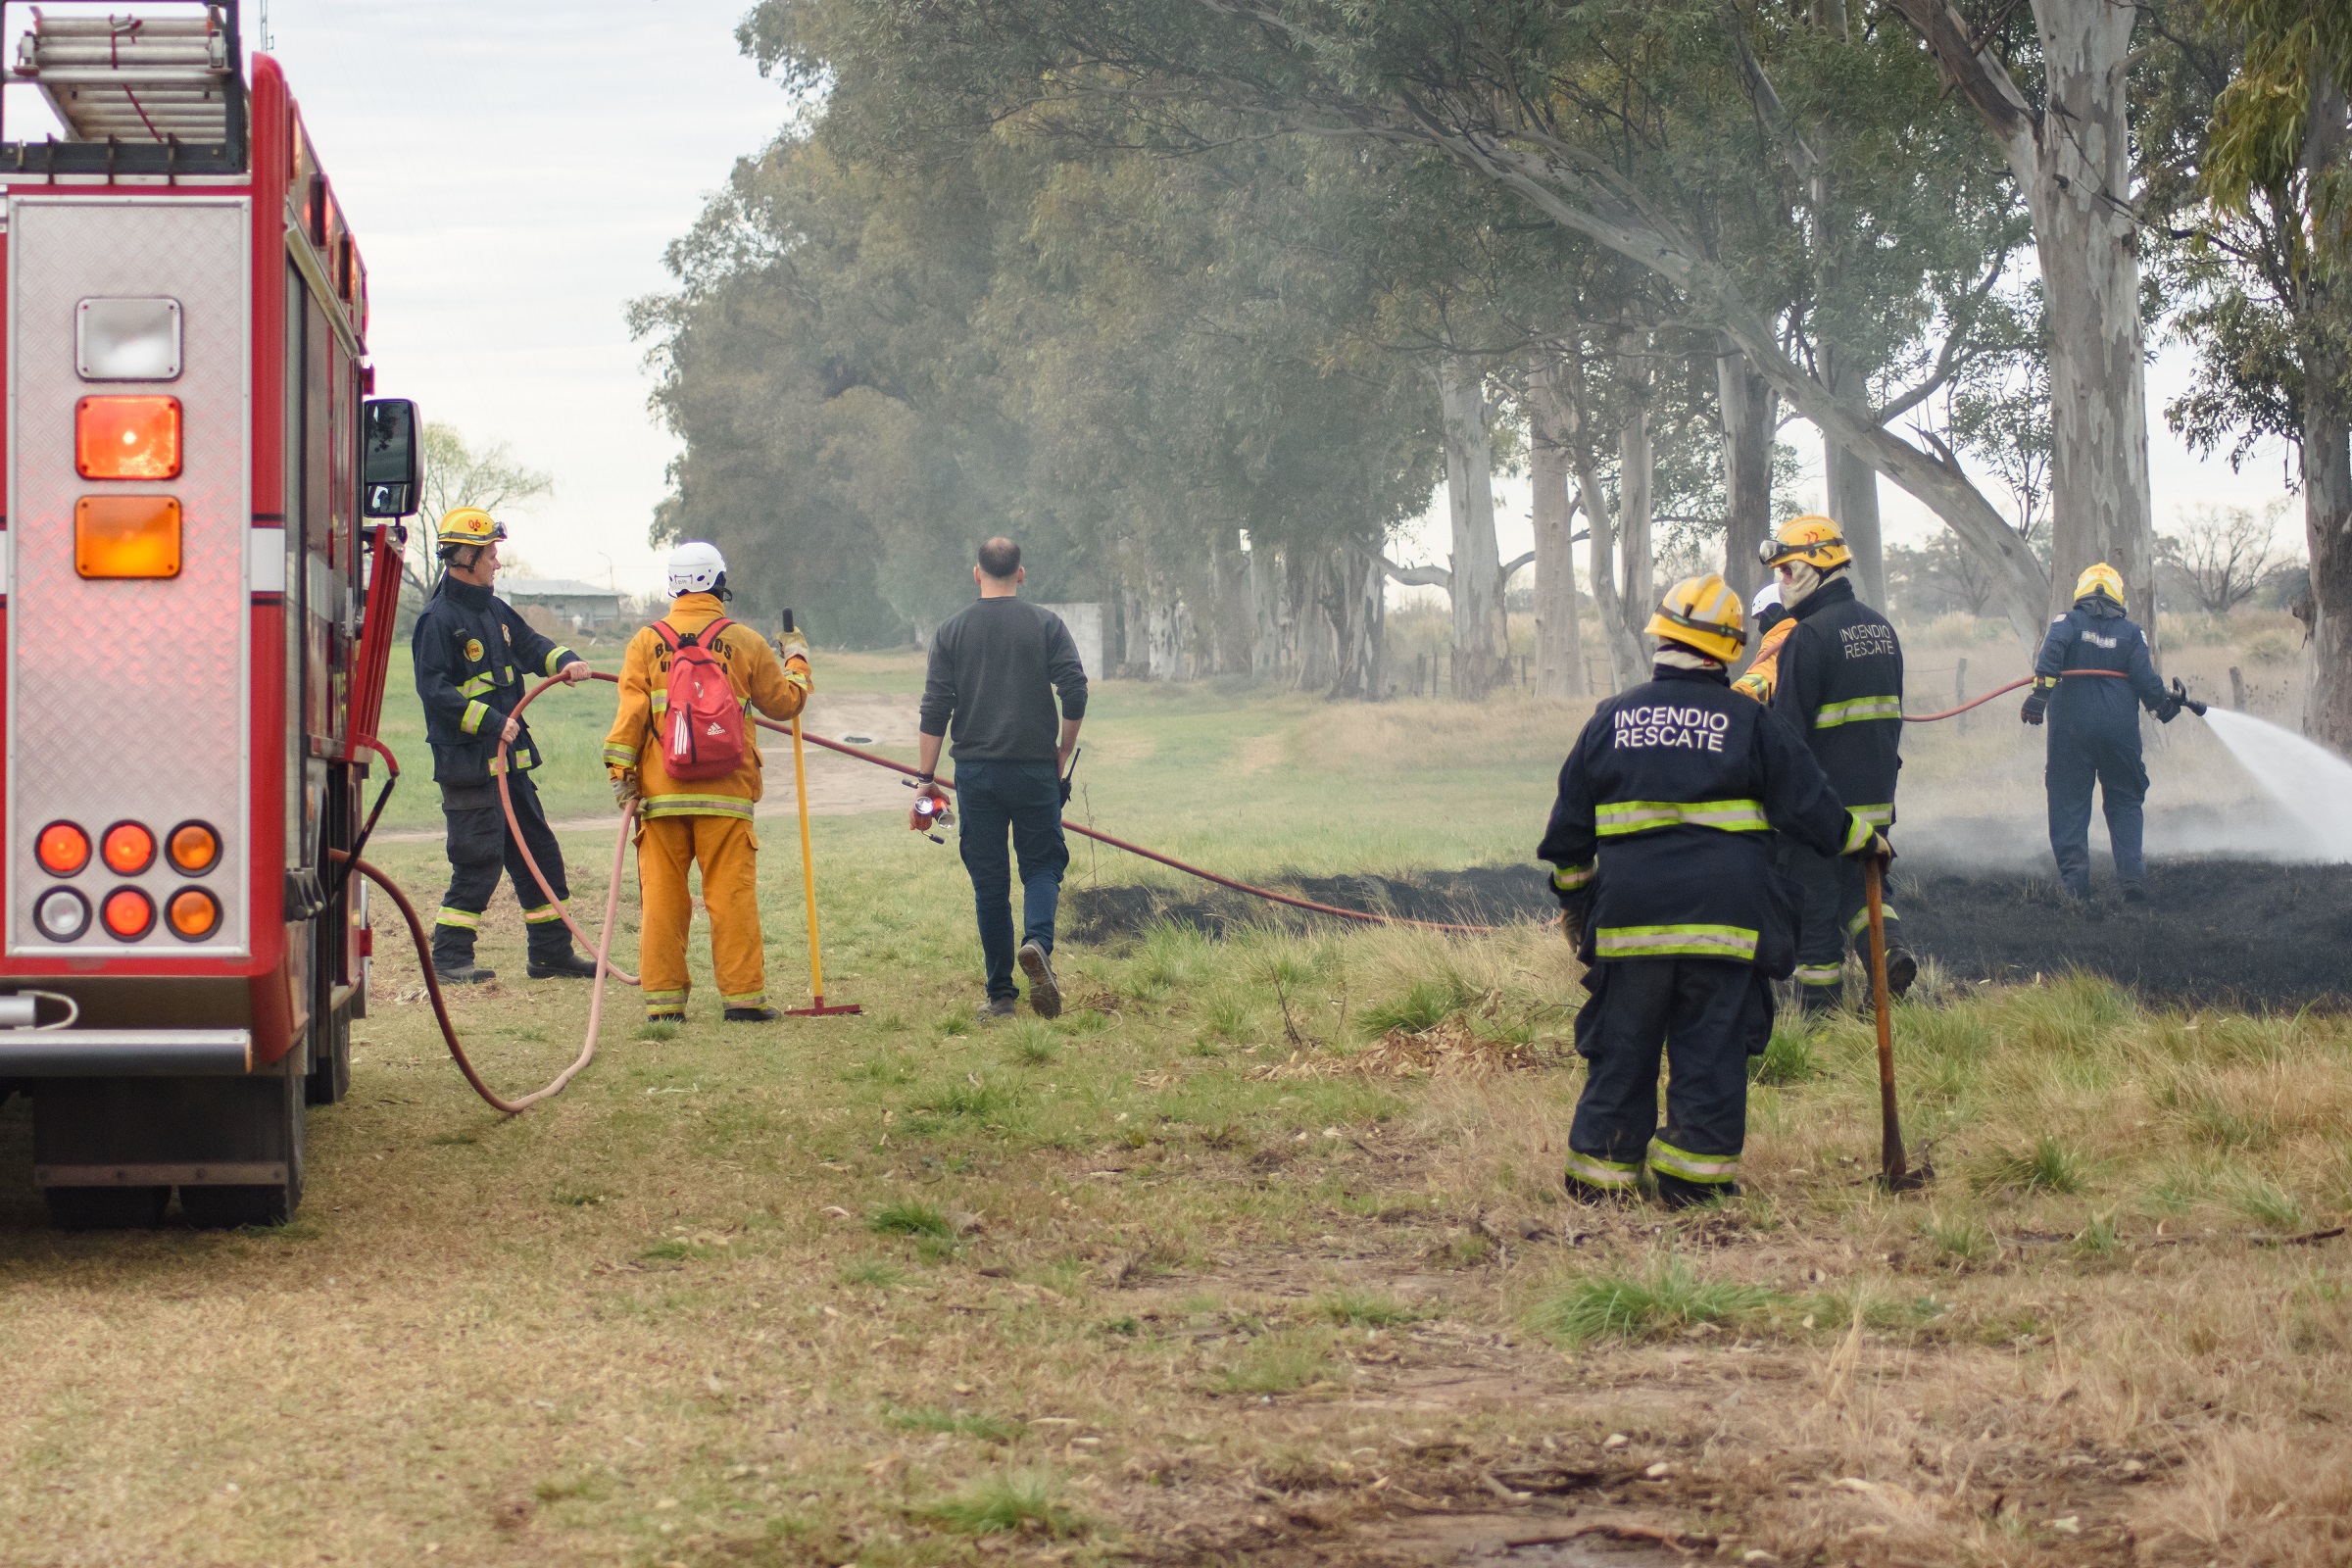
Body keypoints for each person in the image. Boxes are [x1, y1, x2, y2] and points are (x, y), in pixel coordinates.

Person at [1539, 574, 1886, 1207]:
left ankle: (1601, 1180)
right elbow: (1809, 803)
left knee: (1623, 1050)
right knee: (1711, 1051)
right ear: (1728, 649)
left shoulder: (1610, 720)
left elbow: (1566, 840)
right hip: (1723, 930)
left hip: (1630, 928)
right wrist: (1862, 838)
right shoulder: (1750, 721)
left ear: (1660, 640)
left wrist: (1578, 907)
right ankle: (1691, 1184)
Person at [603, 542, 812, 1022]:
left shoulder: (644, 641)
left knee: (662, 900)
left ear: (673, 586)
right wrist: (796, 659)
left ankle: (664, 1005)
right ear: (720, 584)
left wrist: (622, 776)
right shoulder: (745, 641)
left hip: (660, 796)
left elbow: (631, 717)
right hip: (726, 796)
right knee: (731, 897)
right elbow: (784, 703)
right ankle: (742, 1001)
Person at [411, 507, 602, 985]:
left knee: (540, 854)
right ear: (466, 555)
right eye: (490, 553)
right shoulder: (437, 619)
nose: (497, 562)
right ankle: (451, 959)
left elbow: (532, 644)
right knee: (478, 859)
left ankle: (551, 955)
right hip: (470, 766)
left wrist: (567, 660)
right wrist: (493, 721)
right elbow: (435, 691)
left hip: (511, 767)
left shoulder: (493, 610)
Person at [912, 537, 1088, 1021]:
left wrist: (926, 778)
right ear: (1021, 574)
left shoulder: (951, 632)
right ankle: (1037, 943)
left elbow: (935, 709)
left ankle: (1001, 997)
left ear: (976, 573)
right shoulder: (1046, 625)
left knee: (990, 882)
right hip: (1035, 768)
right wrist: (1063, 750)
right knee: (1042, 865)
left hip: (977, 773)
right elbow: (1074, 688)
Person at [1761, 515, 1914, 1011]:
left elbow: (1786, 736)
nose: (1782, 582)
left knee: (1815, 908)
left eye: (1788, 570)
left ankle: (1819, 1014)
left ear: (1815, 566)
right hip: (1875, 803)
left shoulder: (1808, 636)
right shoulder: (1882, 628)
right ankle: (1887, 954)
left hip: (1822, 807)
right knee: (1863, 890)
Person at [2023, 563, 2182, 904]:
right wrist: (2164, 707)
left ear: (2082, 593)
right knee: (2125, 800)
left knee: (2068, 802)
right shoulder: (2131, 633)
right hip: (2119, 735)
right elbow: (2147, 681)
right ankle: (2132, 879)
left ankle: (2075, 885)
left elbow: (2051, 655)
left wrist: (2038, 696)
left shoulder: (2066, 622)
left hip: (2071, 732)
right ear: (2117, 596)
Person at [1731, 580, 1791, 703]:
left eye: (1762, 617)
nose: (1760, 626)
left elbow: (1766, 672)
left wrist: (1738, 691)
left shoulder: (1777, 642)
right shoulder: (1807, 633)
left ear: (1776, 611)